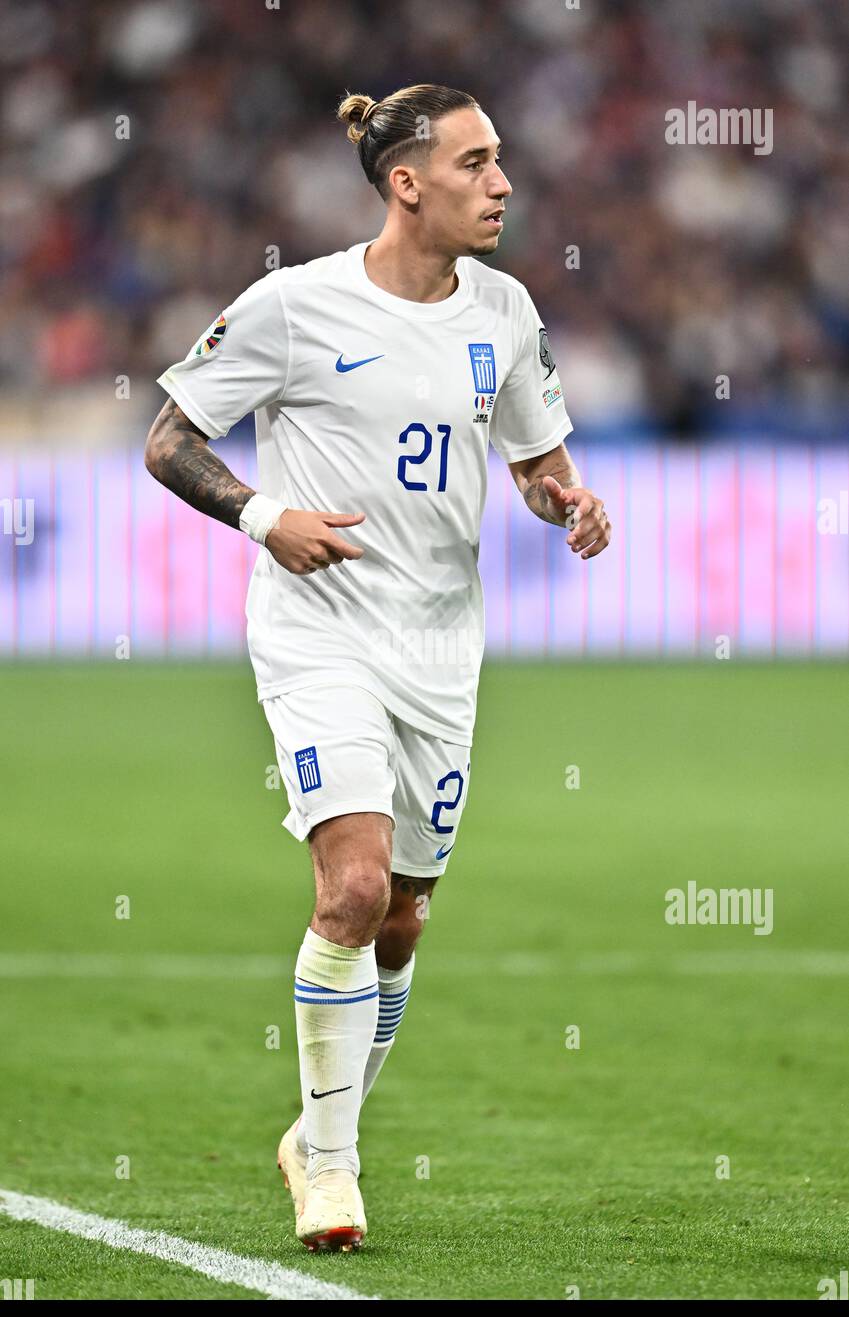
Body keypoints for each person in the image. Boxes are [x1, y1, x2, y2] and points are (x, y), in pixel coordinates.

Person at [144, 83, 611, 1253]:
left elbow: (535, 457)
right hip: (320, 630)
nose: (503, 183)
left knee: (401, 921)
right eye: (477, 163)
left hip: (442, 646)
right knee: (350, 892)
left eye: (500, 161)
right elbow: (169, 439)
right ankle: (334, 1167)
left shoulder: (503, 310)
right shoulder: (294, 306)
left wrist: (565, 500)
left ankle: (315, 1131)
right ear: (408, 183)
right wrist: (265, 520)